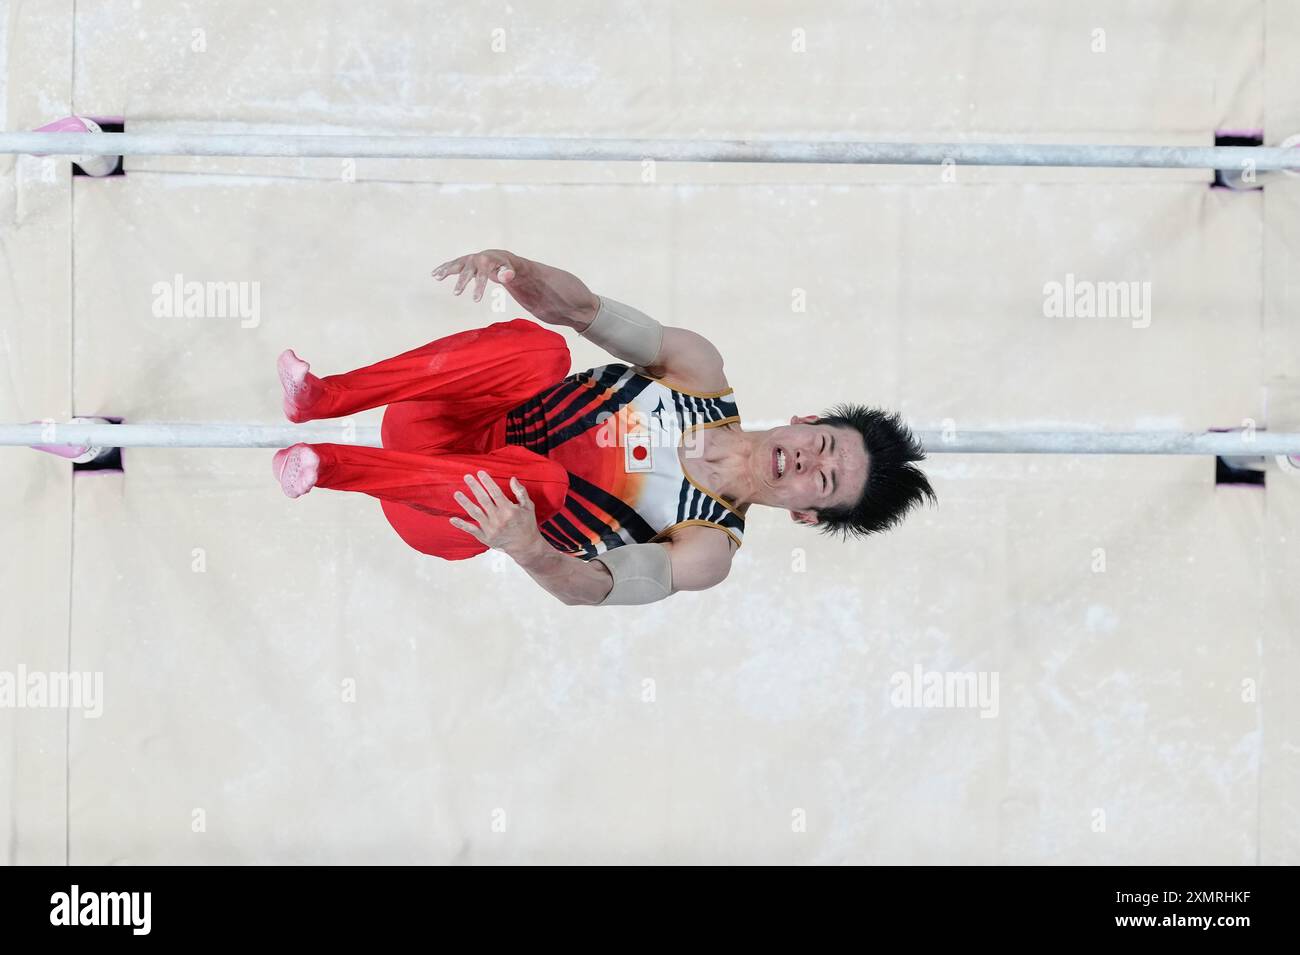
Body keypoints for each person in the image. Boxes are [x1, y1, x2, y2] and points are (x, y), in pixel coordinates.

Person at [272, 250, 936, 606]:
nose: (804, 462)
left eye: (822, 482)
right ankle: (322, 396)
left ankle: (326, 466)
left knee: (539, 480)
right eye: (823, 446)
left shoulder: (706, 548)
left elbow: (596, 589)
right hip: (439, 413)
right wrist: (520, 272)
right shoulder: (696, 371)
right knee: (547, 351)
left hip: (441, 509)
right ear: (808, 420)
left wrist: (529, 550)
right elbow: (581, 308)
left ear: (807, 515)